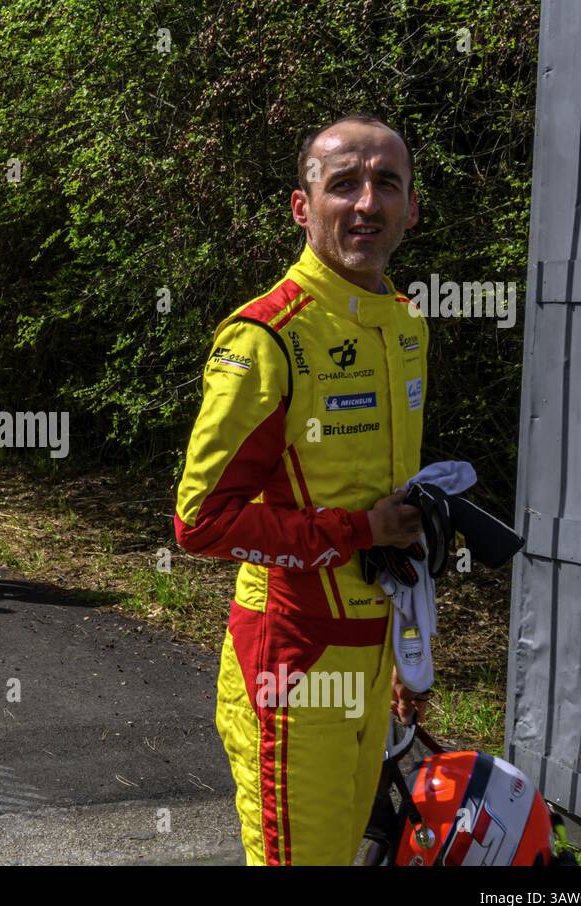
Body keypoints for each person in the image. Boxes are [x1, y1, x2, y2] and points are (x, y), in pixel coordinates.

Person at [173, 114, 430, 865]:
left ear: (412, 208)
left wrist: (411, 659)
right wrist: (355, 534)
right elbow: (201, 522)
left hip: (375, 647)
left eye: (387, 183)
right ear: (301, 206)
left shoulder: (409, 325)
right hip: (295, 656)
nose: (366, 204)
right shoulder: (267, 339)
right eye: (343, 183)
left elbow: (393, 508)